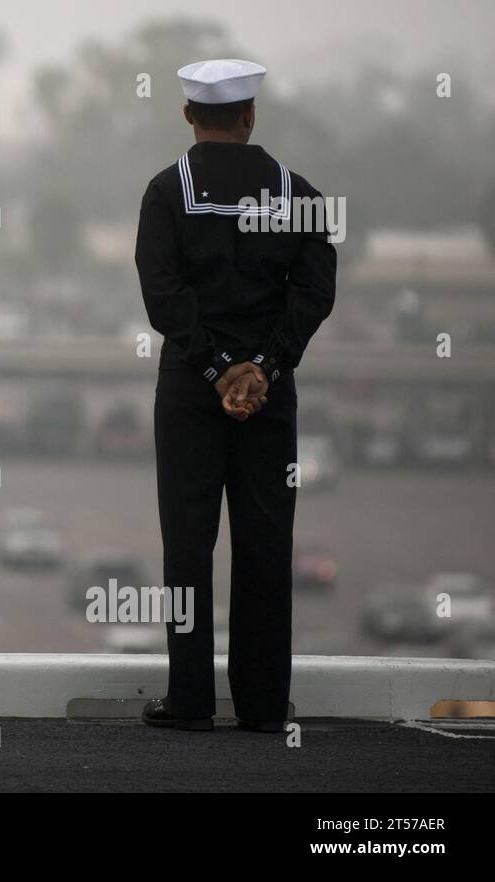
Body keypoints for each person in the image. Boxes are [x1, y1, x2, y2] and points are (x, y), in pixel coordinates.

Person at [134, 59, 336, 732]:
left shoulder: (165, 192)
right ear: (251, 116)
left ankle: (189, 700)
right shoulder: (300, 194)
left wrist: (217, 368)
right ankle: (261, 704)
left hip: (190, 392)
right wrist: (265, 367)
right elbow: (314, 292)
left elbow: (163, 295)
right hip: (270, 396)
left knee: (188, 544)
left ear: (189, 116)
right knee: (266, 544)